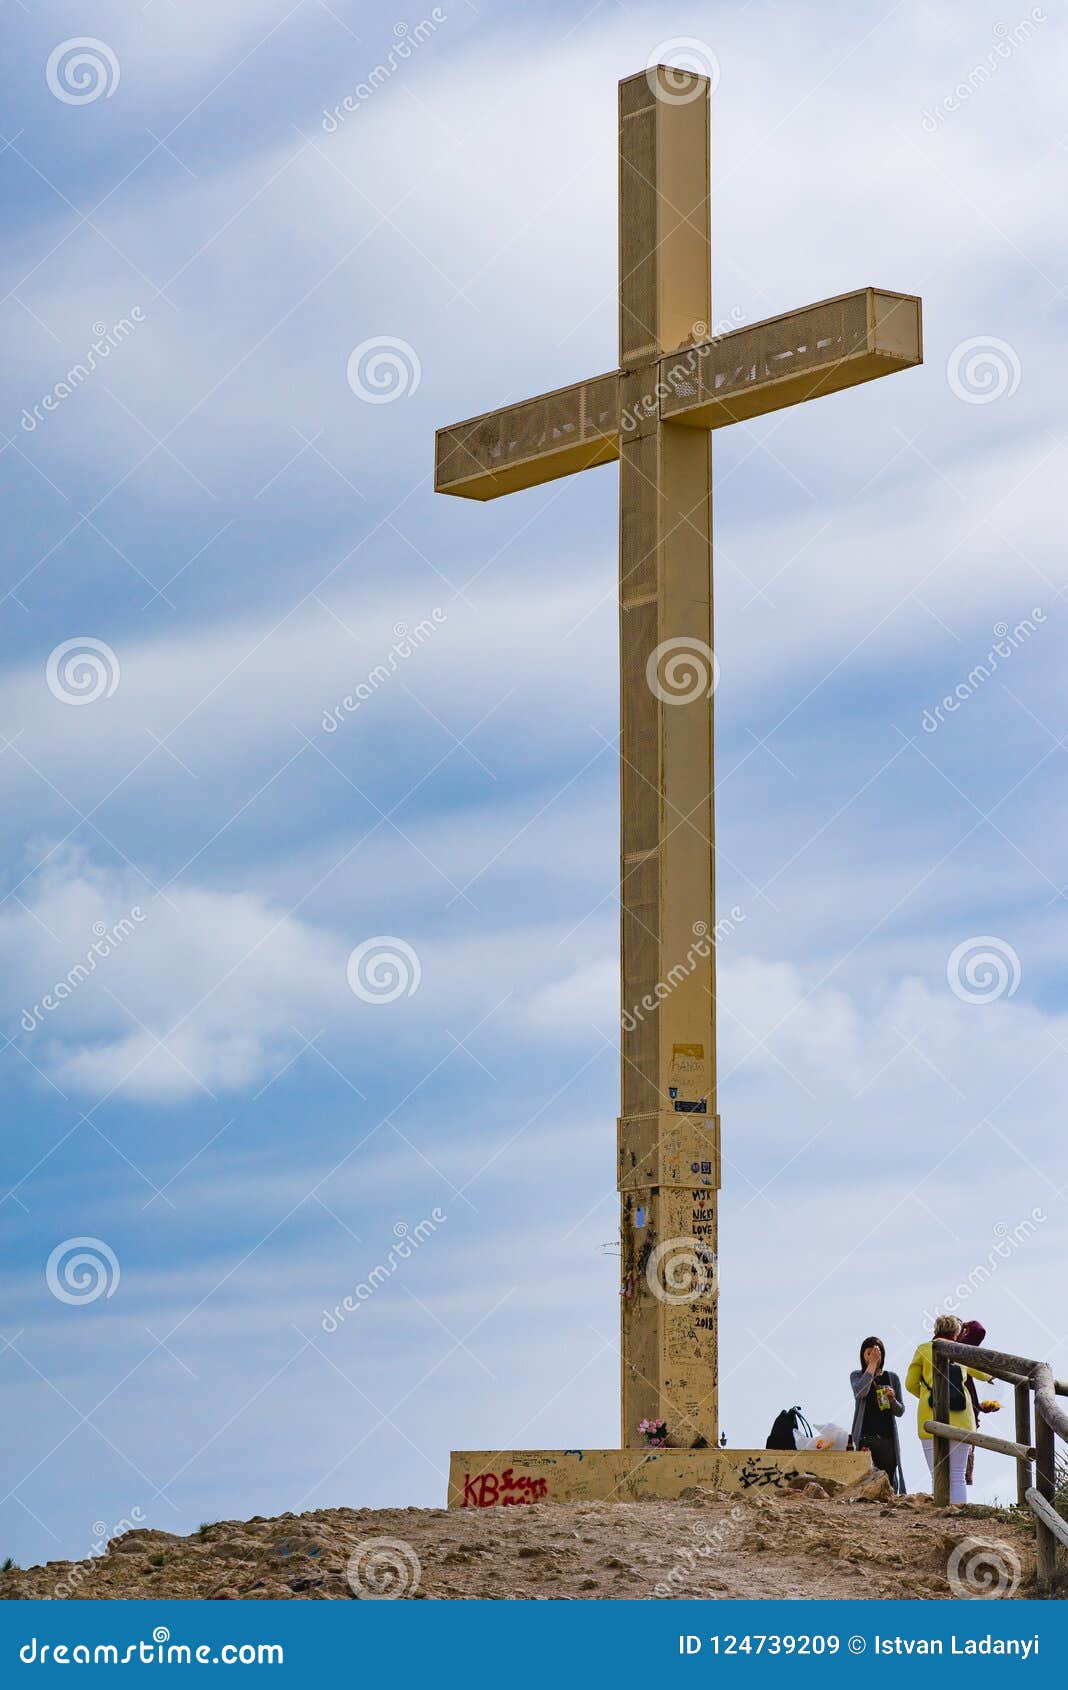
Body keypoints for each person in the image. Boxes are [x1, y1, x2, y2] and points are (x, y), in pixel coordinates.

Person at [906, 1314, 991, 1504]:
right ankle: (959, 1519)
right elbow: (983, 1372)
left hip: (930, 1418)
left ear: (936, 1330)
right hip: (962, 1418)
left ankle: (941, 1517)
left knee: (938, 1475)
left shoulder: (923, 1349)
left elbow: (910, 1384)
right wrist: (991, 1377)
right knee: (958, 1476)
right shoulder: (960, 1351)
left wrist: (930, 1397)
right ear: (956, 1334)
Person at [850, 1336, 906, 1492]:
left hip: (888, 1441)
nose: (873, 1356)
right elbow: (860, 1392)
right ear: (862, 1355)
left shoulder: (892, 1377)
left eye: (876, 1354)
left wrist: (893, 1399)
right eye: (868, 1353)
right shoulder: (856, 1375)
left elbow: (900, 1411)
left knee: (888, 1483)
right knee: (865, 1481)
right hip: (865, 1439)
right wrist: (872, 1365)